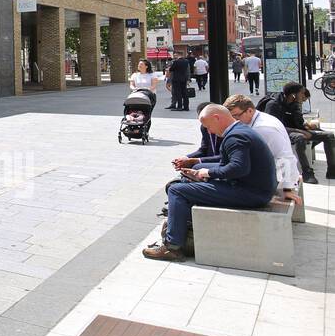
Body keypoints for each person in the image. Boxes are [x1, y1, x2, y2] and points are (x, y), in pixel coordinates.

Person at [143, 103, 277, 262]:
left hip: (251, 193)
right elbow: (231, 165)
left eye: (208, 126)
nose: (209, 131)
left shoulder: (235, 137)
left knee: (176, 190)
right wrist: (198, 170)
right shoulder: (240, 129)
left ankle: (172, 247)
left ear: (216, 118)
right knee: (196, 168)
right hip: (253, 186)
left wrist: (208, 173)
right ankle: (182, 221)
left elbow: (239, 168)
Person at [222, 94, 302, 196]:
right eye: (230, 117)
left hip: (275, 180)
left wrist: (287, 188)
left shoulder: (263, 128)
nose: (233, 120)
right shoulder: (257, 119)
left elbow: (284, 157)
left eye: (236, 116)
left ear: (250, 110)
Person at [262, 83, 335, 183]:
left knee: (329, 136)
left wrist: (306, 126)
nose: (303, 96)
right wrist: (299, 131)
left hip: (297, 130)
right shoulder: (273, 104)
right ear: (293, 95)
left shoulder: (295, 104)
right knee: (300, 137)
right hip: (283, 133)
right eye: (301, 93)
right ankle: (307, 172)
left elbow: (299, 122)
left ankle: (332, 170)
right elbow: (273, 127)